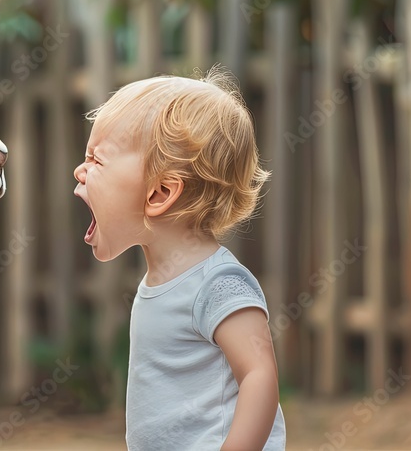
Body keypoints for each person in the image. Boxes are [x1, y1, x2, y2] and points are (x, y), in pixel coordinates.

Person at [73, 67, 285, 450]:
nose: (79, 170)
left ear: (159, 193)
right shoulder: (162, 281)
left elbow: (259, 374)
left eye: (96, 160)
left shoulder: (217, 284)